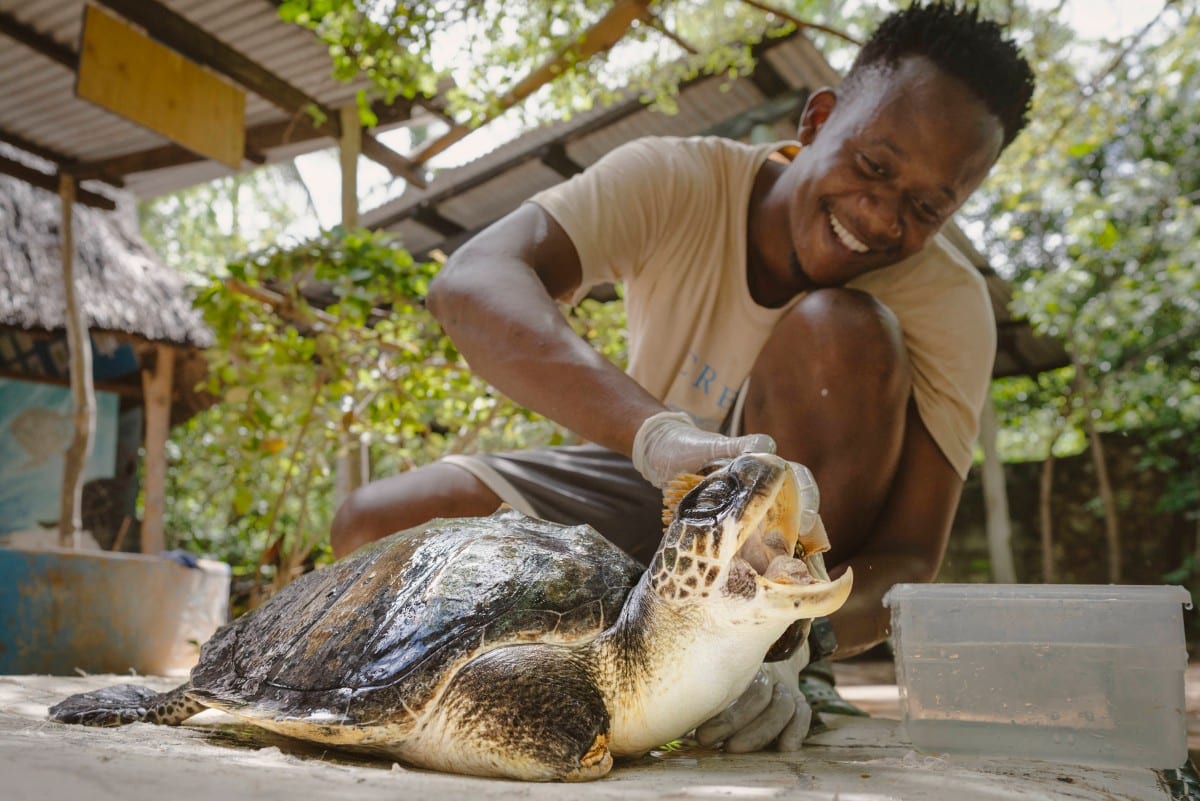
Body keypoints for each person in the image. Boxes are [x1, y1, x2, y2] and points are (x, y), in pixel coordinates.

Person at [331, 1, 1034, 753]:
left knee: (841, 331)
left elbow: (909, 557)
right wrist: (657, 435)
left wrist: (805, 636)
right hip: (641, 479)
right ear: (818, 119)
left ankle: (761, 662)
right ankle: (597, 655)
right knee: (373, 525)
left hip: (781, 564)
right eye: (873, 165)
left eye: (927, 205)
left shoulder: (952, 303)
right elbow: (470, 283)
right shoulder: (676, 178)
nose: (880, 214)